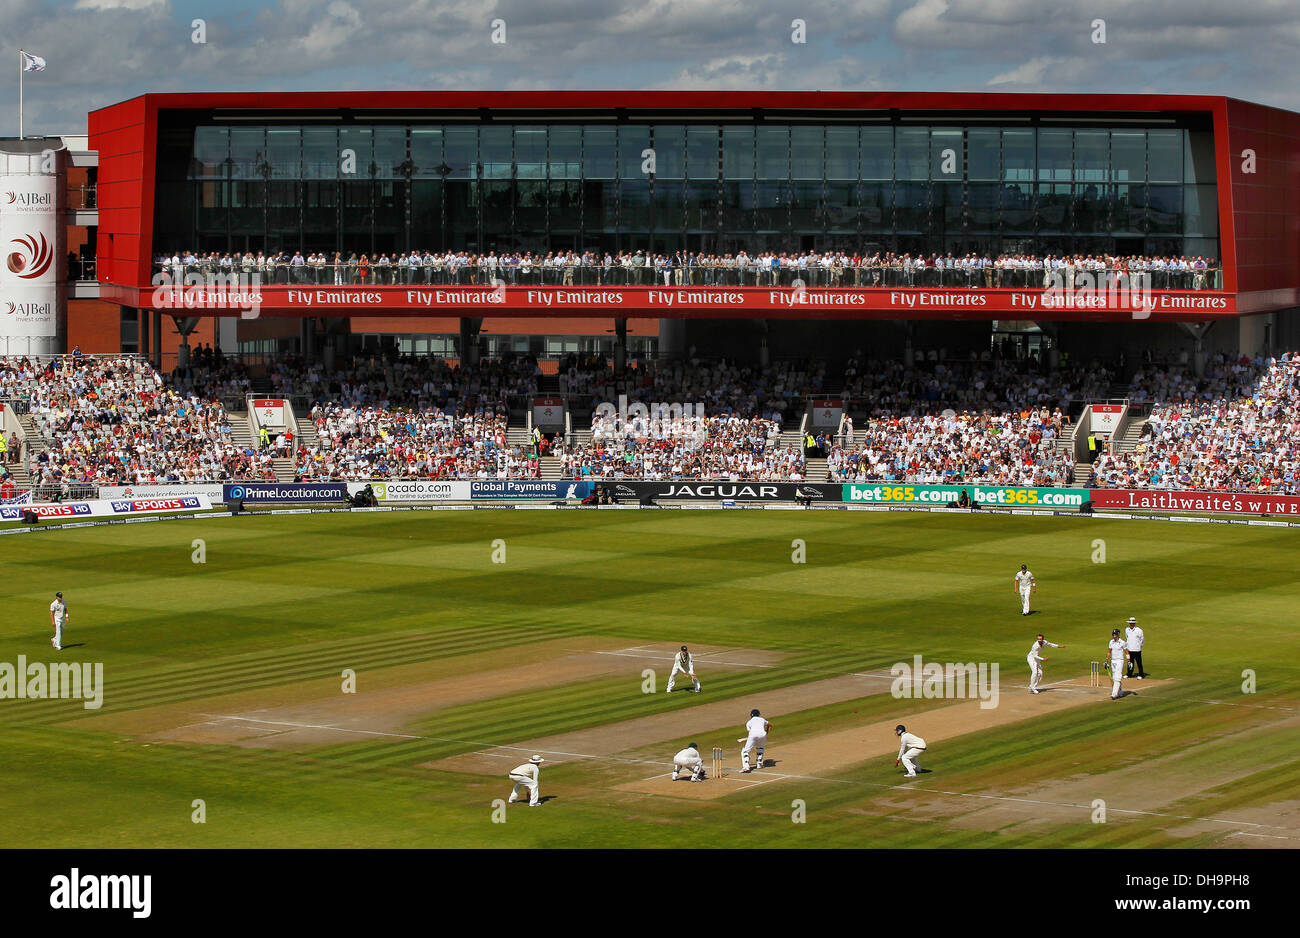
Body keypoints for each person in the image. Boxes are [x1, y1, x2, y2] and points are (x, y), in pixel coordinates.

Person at [740, 708, 770, 773]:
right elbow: (770, 725)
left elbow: (751, 734)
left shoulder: (749, 722)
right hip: (763, 734)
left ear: (751, 715)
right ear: (759, 714)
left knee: (745, 751)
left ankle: (746, 767)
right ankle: (759, 764)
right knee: (760, 748)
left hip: (753, 735)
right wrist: (766, 732)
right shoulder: (762, 719)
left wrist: (747, 739)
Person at [1107, 628, 1128, 700]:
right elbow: (1109, 652)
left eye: (1115, 634)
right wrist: (1106, 660)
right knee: (1114, 677)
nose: (1114, 636)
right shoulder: (1111, 642)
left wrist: (1129, 661)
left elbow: (1126, 651)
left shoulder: (1122, 642)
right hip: (1113, 661)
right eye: (1113, 634)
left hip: (1120, 661)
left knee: (1117, 677)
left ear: (1118, 635)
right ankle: (1120, 692)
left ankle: (1114, 694)